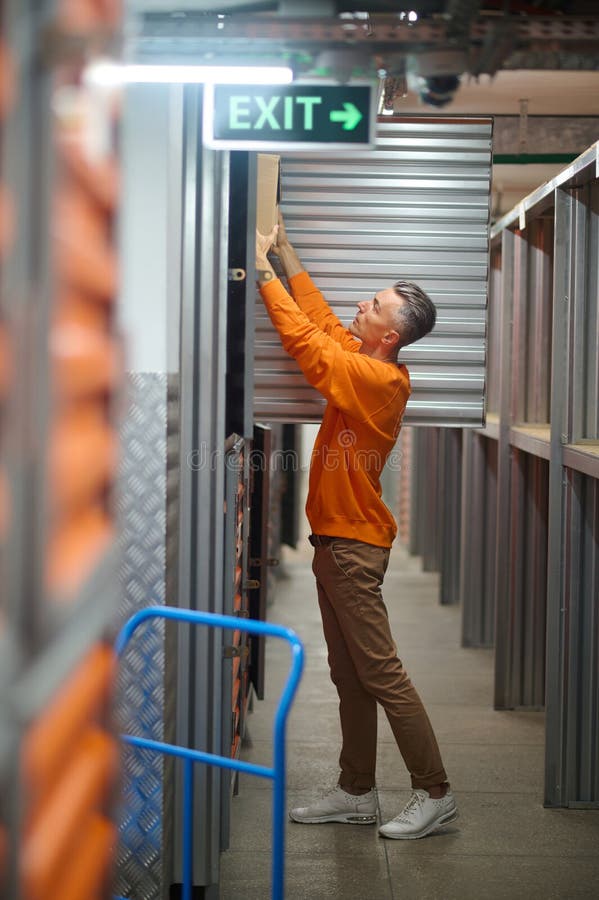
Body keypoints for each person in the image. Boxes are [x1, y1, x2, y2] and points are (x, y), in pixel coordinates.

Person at [255, 213, 458, 840]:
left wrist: (259, 273)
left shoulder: (375, 380)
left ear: (390, 336)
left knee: (381, 675)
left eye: (372, 306)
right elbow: (319, 322)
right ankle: (357, 792)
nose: (359, 307)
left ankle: (435, 792)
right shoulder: (364, 361)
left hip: (352, 549)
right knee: (349, 675)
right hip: (333, 544)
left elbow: (307, 347)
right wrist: (283, 252)